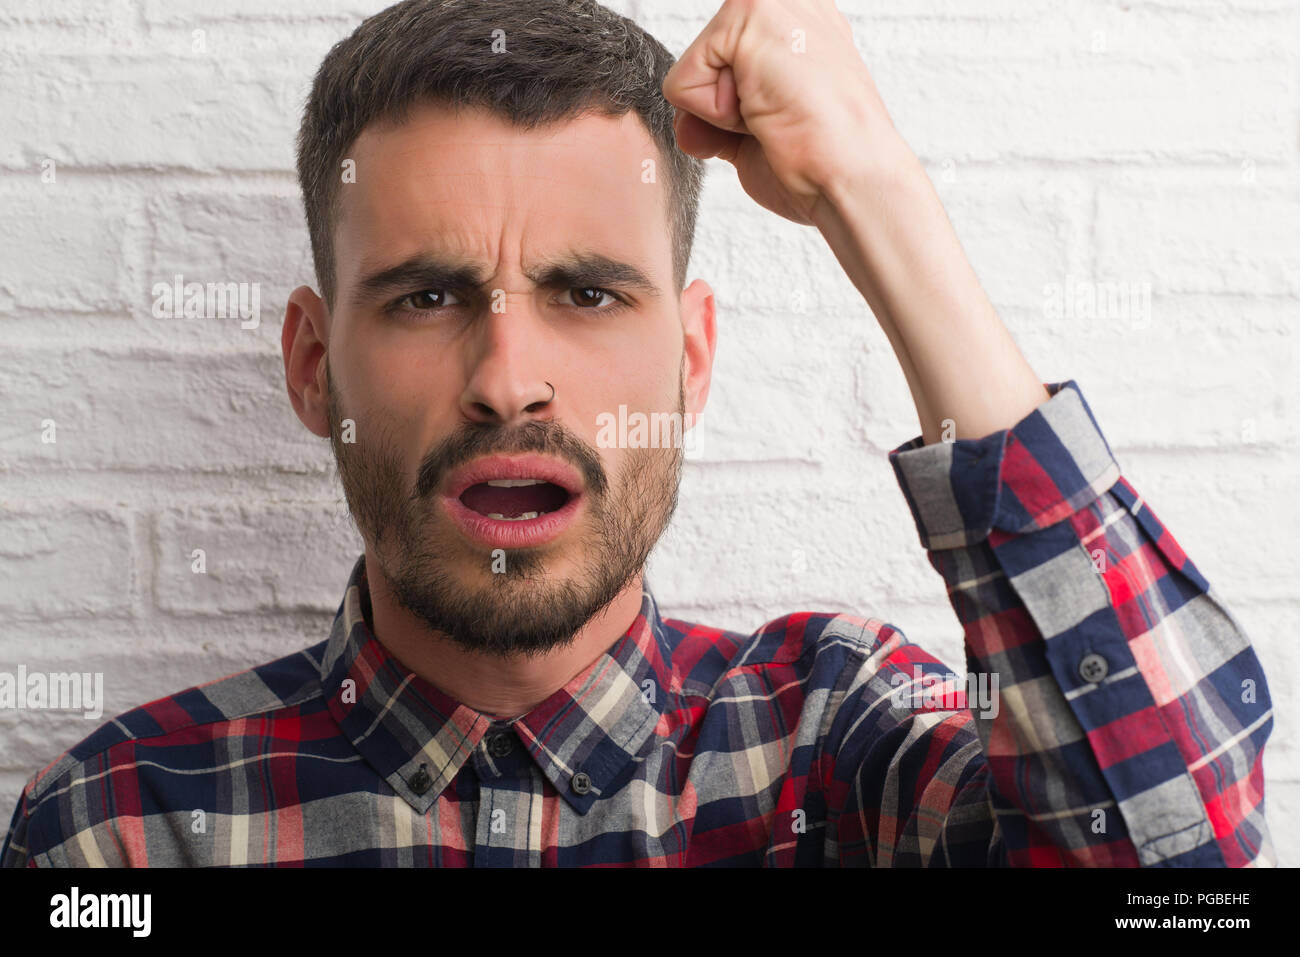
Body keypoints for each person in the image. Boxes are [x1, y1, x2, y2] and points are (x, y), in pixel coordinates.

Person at [1, 0, 1274, 867]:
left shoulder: (834, 748)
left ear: (694, 358)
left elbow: (1178, 857)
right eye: (430, 296)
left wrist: (870, 188)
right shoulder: (123, 827)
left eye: (588, 294)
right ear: (313, 366)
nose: (508, 382)